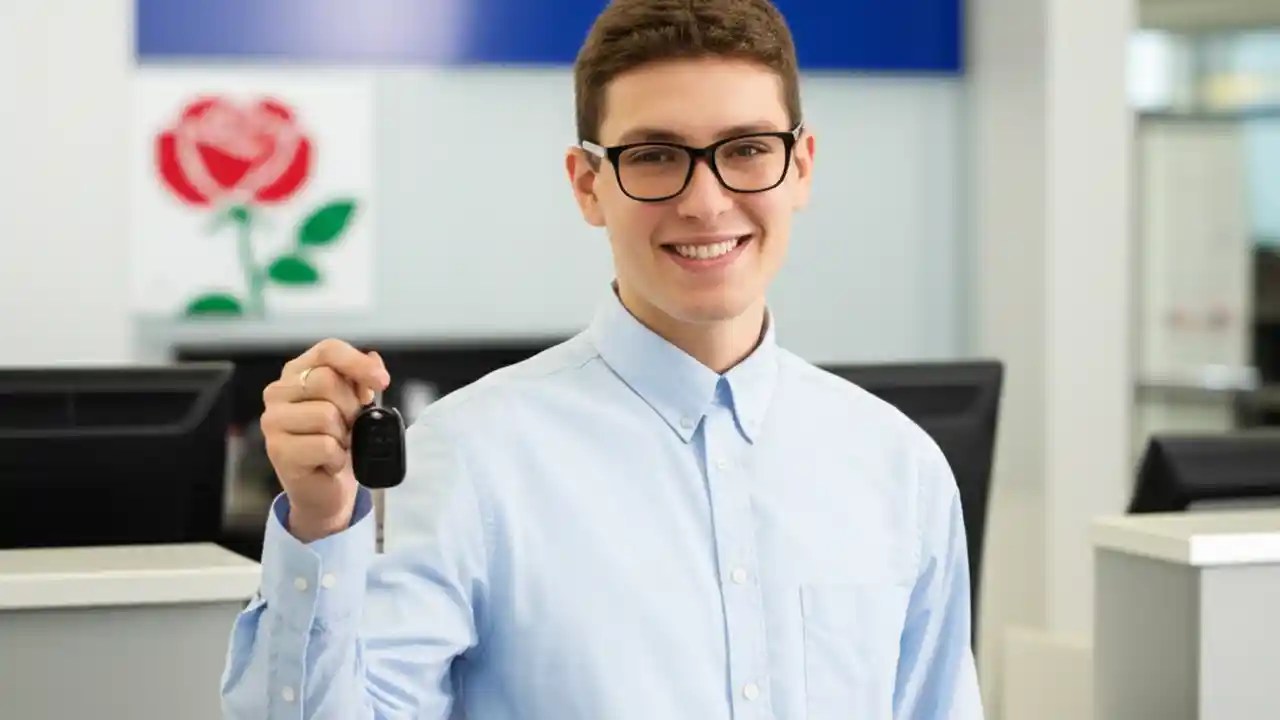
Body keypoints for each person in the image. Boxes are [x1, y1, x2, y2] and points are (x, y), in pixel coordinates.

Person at [220, 1, 984, 717]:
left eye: (748, 149)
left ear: (802, 166)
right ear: (589, 185)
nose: (708, 201)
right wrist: (322, 528)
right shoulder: (468, 460)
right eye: (655, 156)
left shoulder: (898, 467)